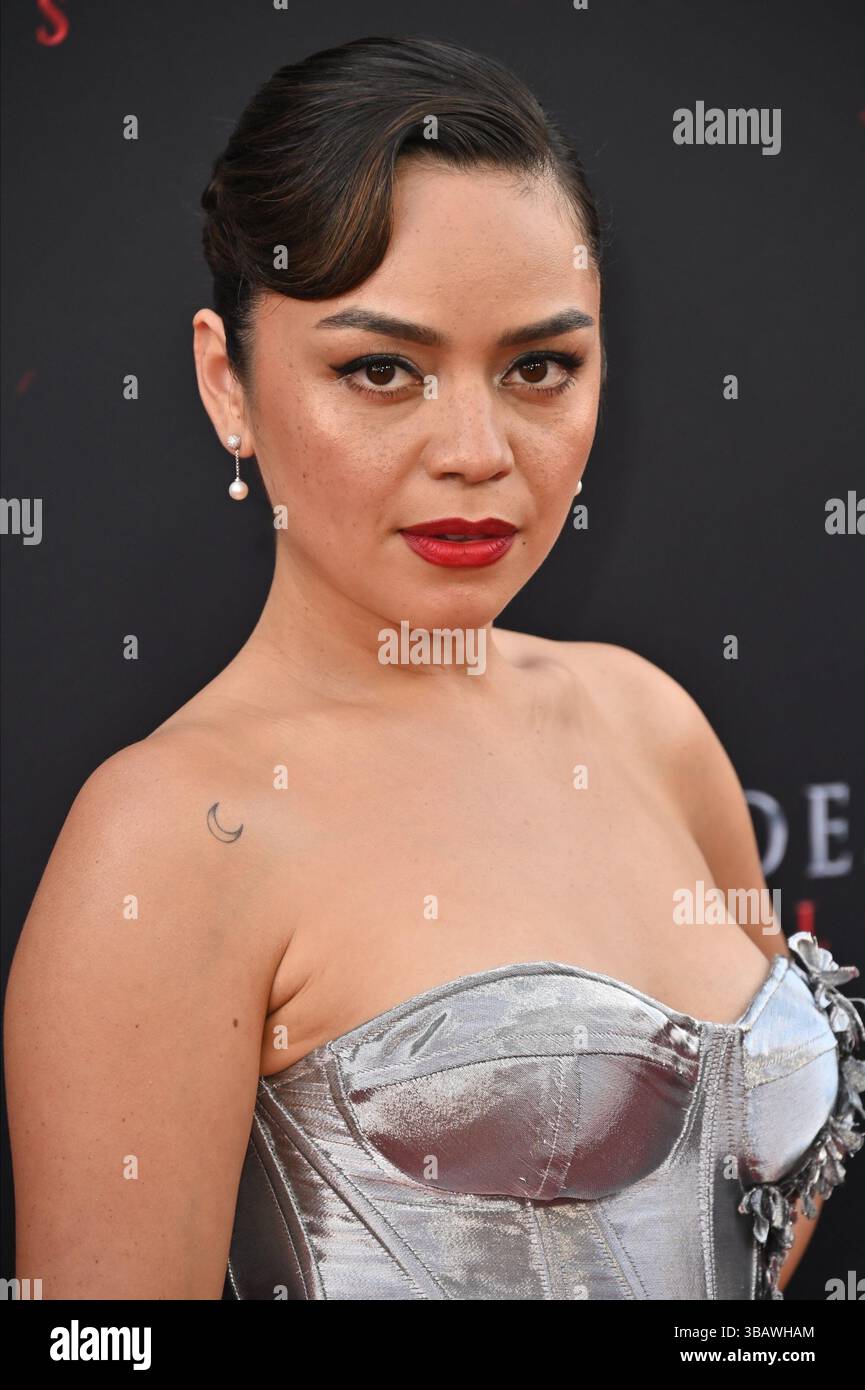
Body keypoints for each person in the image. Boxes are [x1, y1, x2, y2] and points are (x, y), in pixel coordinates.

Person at [5, 34, 863, 1301]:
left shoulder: (650, 721)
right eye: (381, 370)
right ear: (223, 382)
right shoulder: (172, 838)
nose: (476, 449)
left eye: (538, 368)